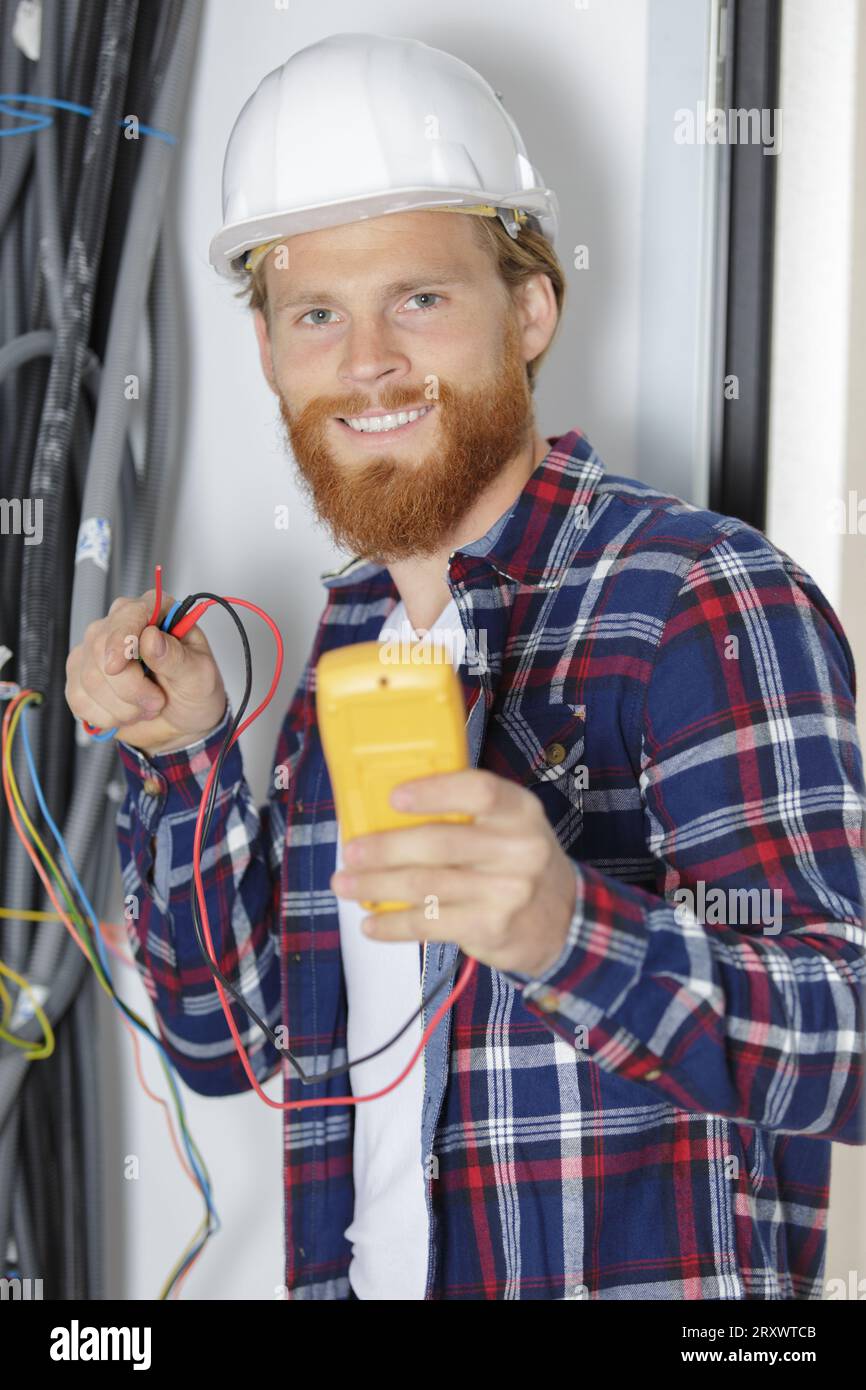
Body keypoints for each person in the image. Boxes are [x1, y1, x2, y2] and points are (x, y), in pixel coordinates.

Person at [65, 32, 865, 1301]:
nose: (366, 358)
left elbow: (846, 1041)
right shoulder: (351, 648)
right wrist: (188, 757)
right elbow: (238, 1047)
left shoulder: (693, 596)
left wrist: (566, 931)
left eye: (419, 299)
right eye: (316, 313)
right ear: (269, 351)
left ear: (530, 308)